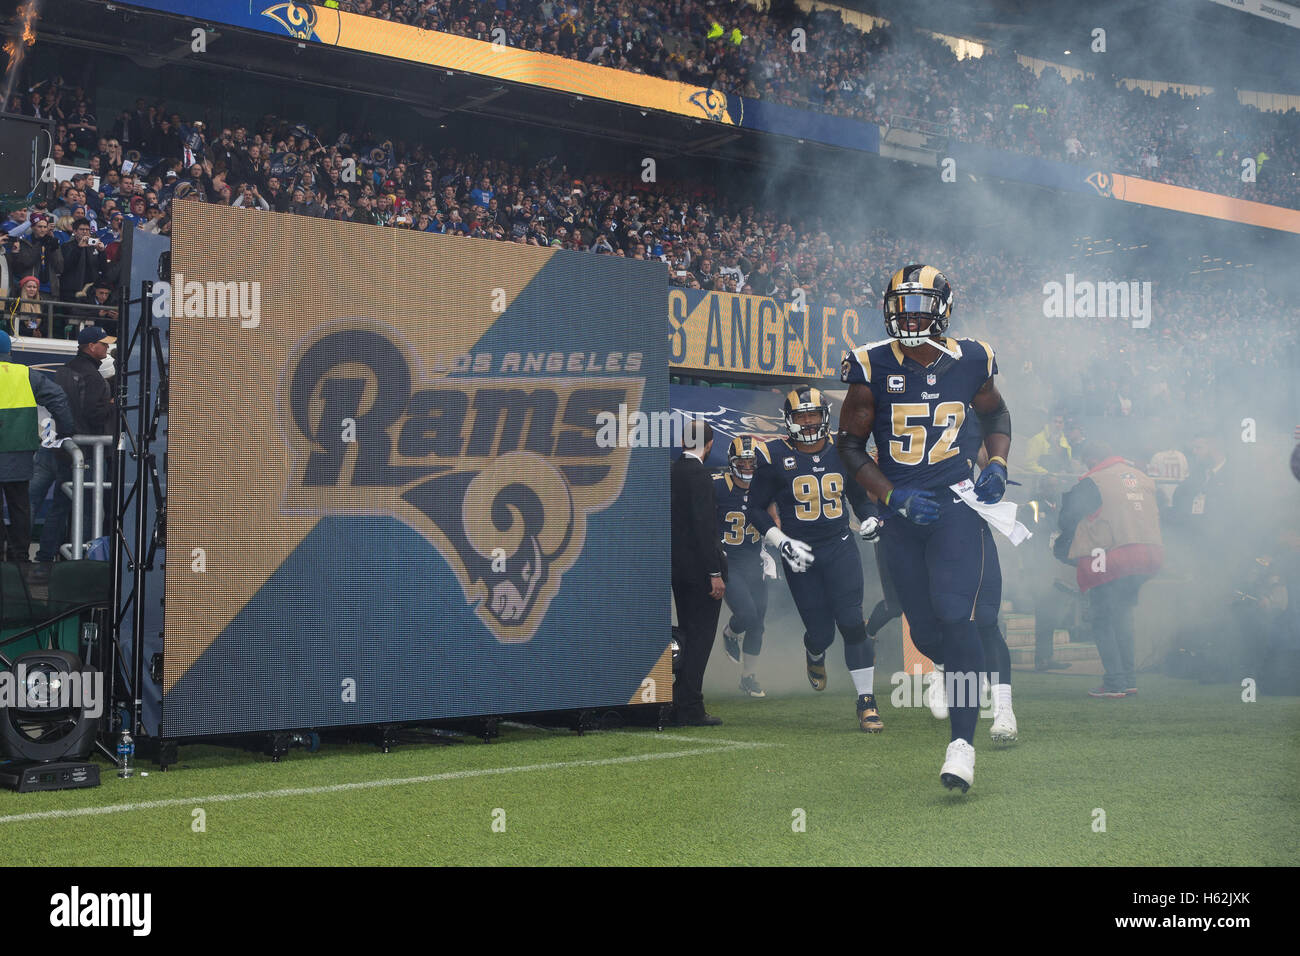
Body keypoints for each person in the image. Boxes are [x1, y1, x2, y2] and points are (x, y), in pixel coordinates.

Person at [836, 264, 1015, 792]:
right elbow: (848, 445)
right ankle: (954, 676)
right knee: (926, 630)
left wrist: (998, 466)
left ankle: (962, 746)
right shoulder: (869, 364)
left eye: (919, 304)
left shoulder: (973, 358)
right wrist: (892, 495)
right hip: (902, 514)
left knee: (958, 617)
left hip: (956, 506)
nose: (910, 313)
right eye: (902, 304)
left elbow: (997, 417)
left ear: (942, 308)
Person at [744, 385, 885, 733]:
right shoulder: (773, 454)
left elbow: (857, 496)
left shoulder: (841, 450)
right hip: (799, 553)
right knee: (821, 632)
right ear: (788, 420)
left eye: (813, 415)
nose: (808, 422)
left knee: (852, 623)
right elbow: (755, 508)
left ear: (825, 417)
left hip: (840, 546)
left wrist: (869, 516)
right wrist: (780, 542)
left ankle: (866, 701)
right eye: (801, 416)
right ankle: (815, 651)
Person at [1054, 441, 1164, 698]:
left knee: (1102, 618)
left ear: (1092, 459)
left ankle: (1114, 682)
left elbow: (1067, 518)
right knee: (1123, 616)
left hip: (1110, 556)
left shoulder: (1095, 481)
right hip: (1148, 555)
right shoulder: (1143, 478)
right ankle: (1129, 679)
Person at [0, 330, 77, 570]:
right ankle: (19, 559)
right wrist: (66, 430)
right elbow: (57, 398)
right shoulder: (25, 374)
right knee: (20, 504)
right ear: (8, 351)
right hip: (18, 451)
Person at [670, 418, 726, 726]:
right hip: (700, 573)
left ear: (682, 442)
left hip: (676, 571)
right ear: (709, 445)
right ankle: (690, 705)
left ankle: (680, 700)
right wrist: (714, 572)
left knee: (687, 634)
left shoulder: (670, 472)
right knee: (700, 639)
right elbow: (704, 529)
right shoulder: (701, 477)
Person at [714, 435, 773, 698]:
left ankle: (748, 678)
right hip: (728, 561)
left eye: (752, 462)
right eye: (743, 462)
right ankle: (729, 632)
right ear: (732, 462)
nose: (748, 467)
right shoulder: (716, 487)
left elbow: (775, 520)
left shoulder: (766, 488)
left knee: (758, 624)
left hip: (754, 562)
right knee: (747, 615)